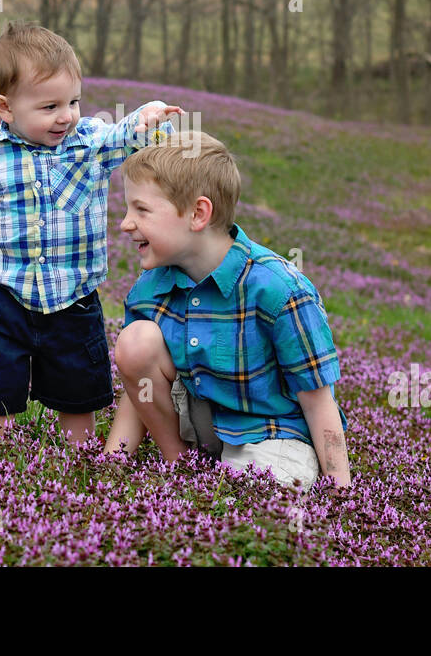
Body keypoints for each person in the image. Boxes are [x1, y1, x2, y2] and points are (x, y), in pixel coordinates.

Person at [0, 20, 181, 443]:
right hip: (4, 292)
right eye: (49, 107)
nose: (66, 116)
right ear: (5, 108)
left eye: (73, 101)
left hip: (74, 296)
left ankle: (74, 457)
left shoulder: (90, 141)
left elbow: (125, 136)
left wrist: (148, 119)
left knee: (77, 389)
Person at [104, 131, 350, 489]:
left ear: (198, 214)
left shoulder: (279, 290)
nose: (125, 223)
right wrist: (111, 464)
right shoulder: (150, 288)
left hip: (270, 432)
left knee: (252, 509)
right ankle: (182, 468)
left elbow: (317, 401)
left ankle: (220, 480)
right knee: (134, 341)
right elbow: (136, 388)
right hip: (201, 426)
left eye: (141, 209)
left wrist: (341, 493)